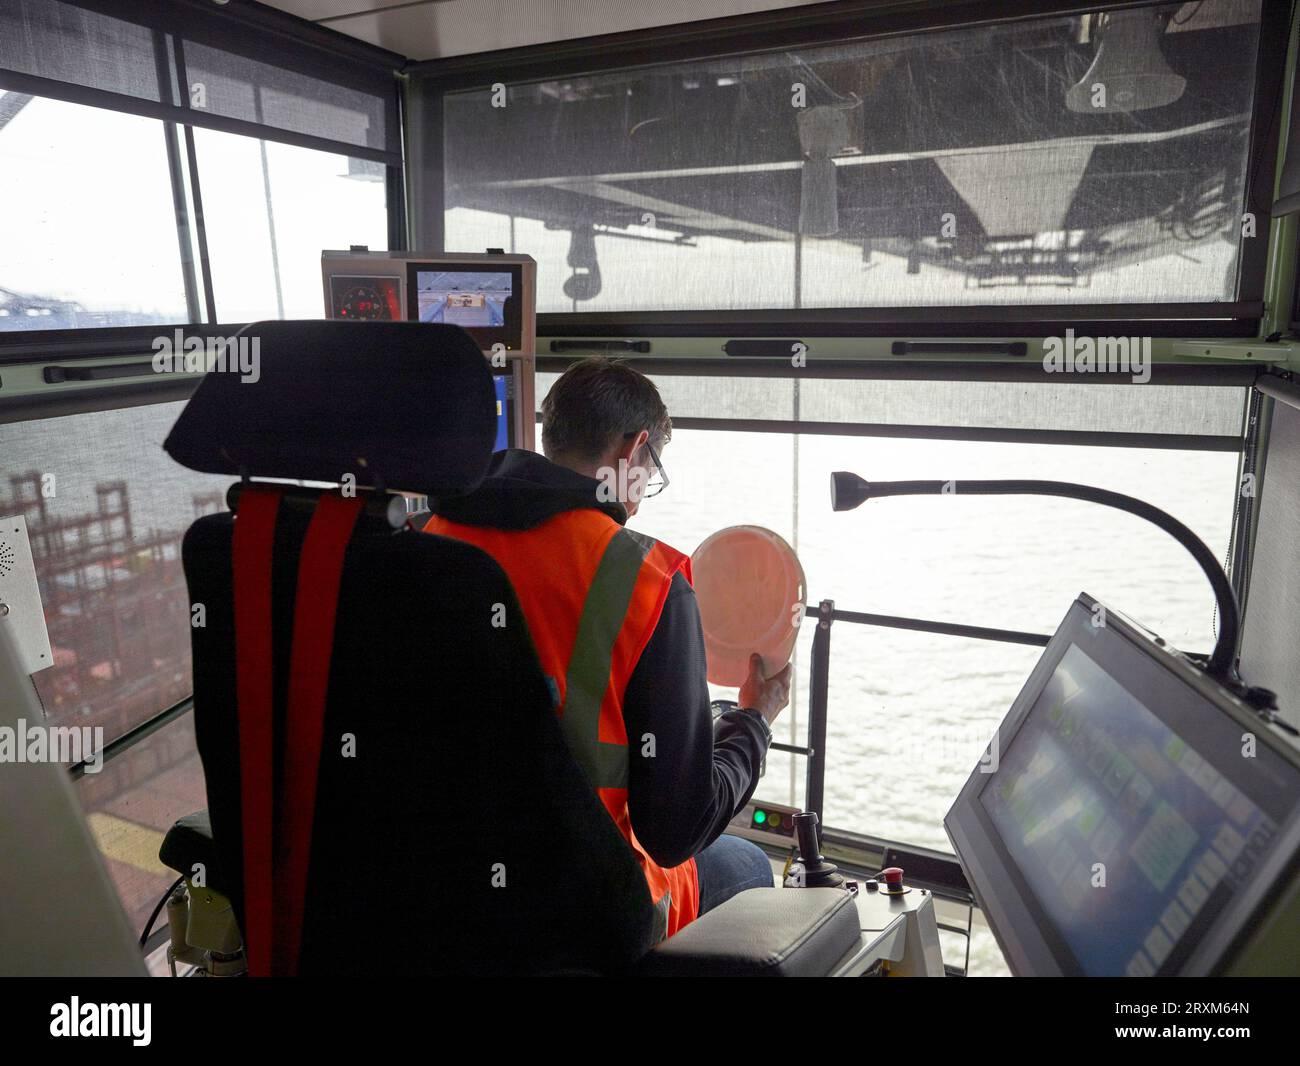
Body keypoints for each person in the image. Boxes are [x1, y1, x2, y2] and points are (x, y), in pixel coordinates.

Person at [424, 356, 792, 941]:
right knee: (747, 862)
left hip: (442, 879)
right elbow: (675, 831)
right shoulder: (649, 580)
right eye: (653, 468)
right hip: (585, 909)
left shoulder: (431, 534)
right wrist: (753, 720)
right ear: (634, 450)